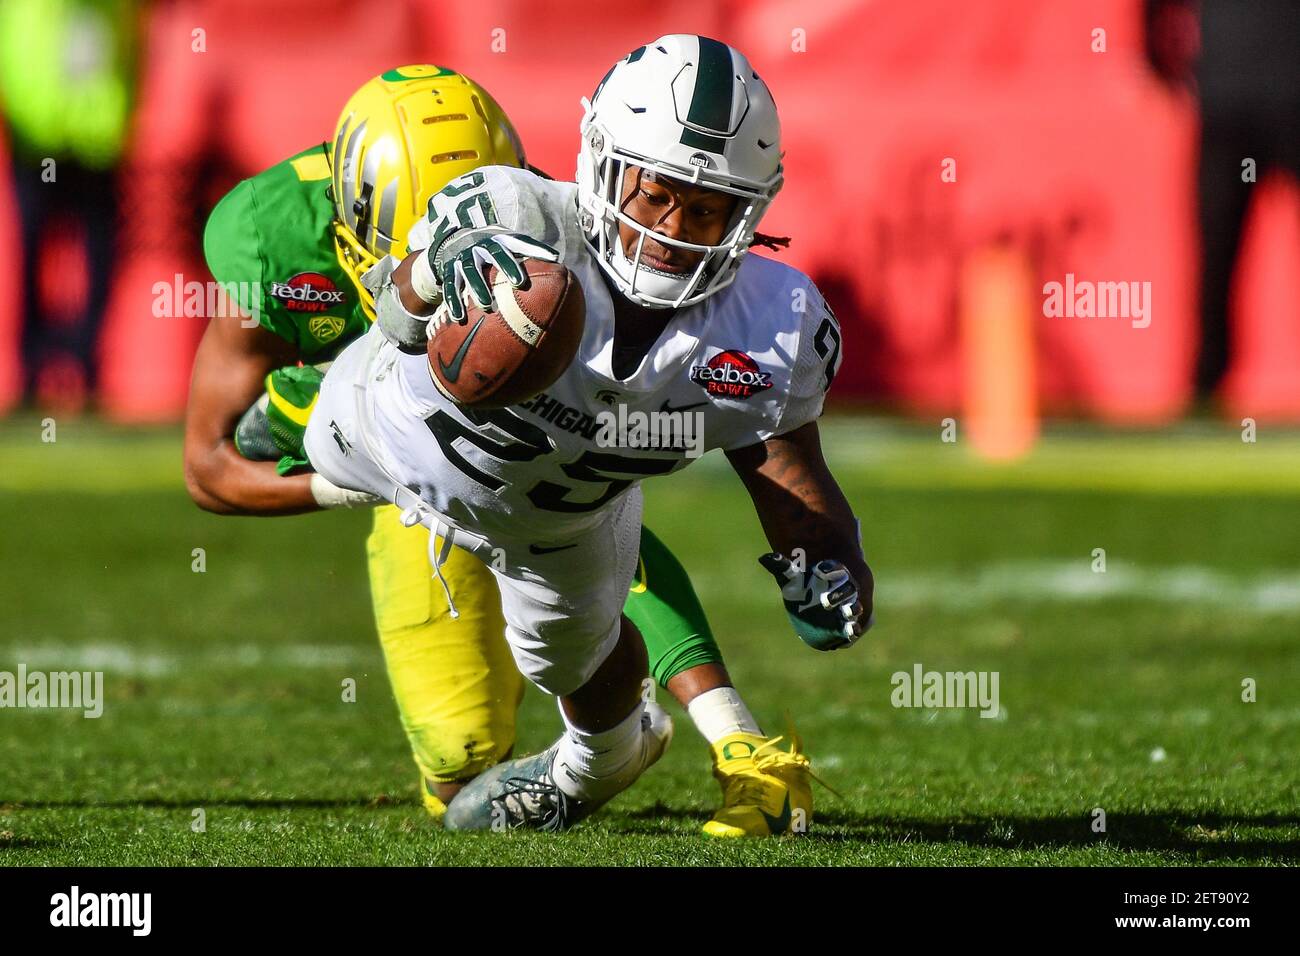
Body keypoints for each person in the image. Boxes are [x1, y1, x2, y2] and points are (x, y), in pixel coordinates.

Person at [185, 64, 818, 837]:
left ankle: (694, 740)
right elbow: (208, 469)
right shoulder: (274, 238)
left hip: (505, 456)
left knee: (573, 489)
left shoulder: (544, 239)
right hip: (384, 446)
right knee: (458, 772)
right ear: (346, 215)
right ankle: (309, 404)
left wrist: (732, 727)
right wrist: (384, 484)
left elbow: (594, 492)